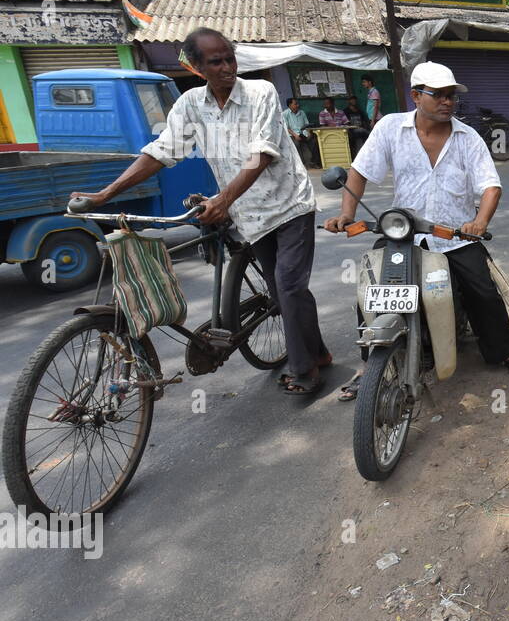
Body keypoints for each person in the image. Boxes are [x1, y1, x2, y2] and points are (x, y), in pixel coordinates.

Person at [70, 27, 330, 395]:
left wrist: (222, 199)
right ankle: (318, 353)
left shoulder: (261, 92)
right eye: (216, 61)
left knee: (288, 287)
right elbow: (162, 151)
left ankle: (305, 371)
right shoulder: (191, 104)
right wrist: (104, 195)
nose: (227, 67)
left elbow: (262, 152)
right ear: (196, 67)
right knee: (281, 290)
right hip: (248, 214)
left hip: (290, 204)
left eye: (230, 58)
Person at [323, 62, 509, 386]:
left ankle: (506, 353)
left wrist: (479, 221)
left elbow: (491, 186)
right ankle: (370, 366)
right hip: (404, 235)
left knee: (484, 294)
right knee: (372, 290)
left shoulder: (468, 138)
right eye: (439, 95)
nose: (448, 102)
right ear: (416, 96)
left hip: (455, 237)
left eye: (451, 96)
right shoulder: (391, 128)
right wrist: (346, 214)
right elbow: (360, 171)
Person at [282, 97, 318, 168]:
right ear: (290, 105)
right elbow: (286, 127)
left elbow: (307, 124)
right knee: (296, 144)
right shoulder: (285, 114)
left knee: (314, 141)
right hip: (293, 135)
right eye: (295, 104)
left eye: (297, 104)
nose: (297, 105)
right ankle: (302, 164)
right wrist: (295, 135)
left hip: (303, 133)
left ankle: (314, 163)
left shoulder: (302, 112)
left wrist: (309, 133)